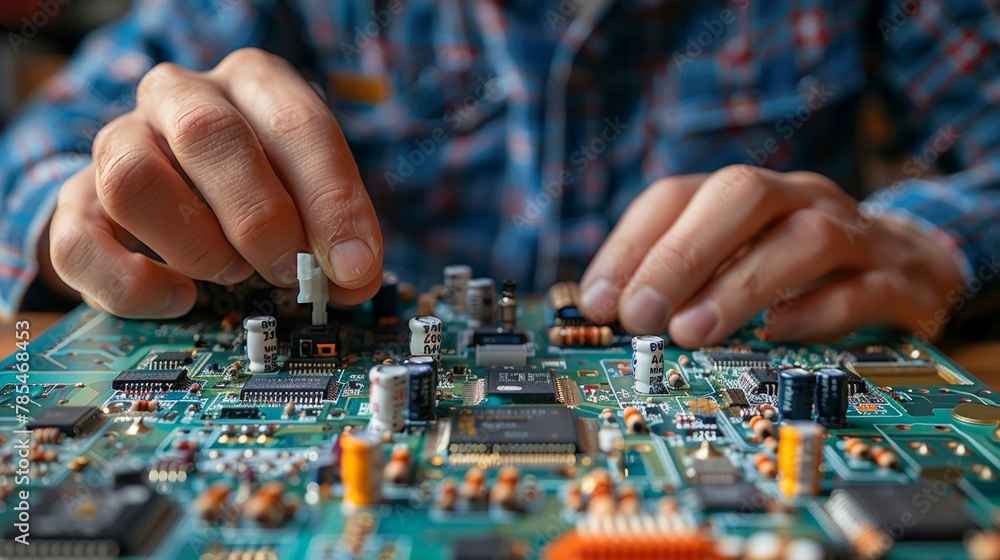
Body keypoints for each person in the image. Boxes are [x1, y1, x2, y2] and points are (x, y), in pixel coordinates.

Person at [0, 0, 997, 349]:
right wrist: (82, 204)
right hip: (360, 346)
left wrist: (927, 242)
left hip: (743, 341)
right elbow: (50, 139)